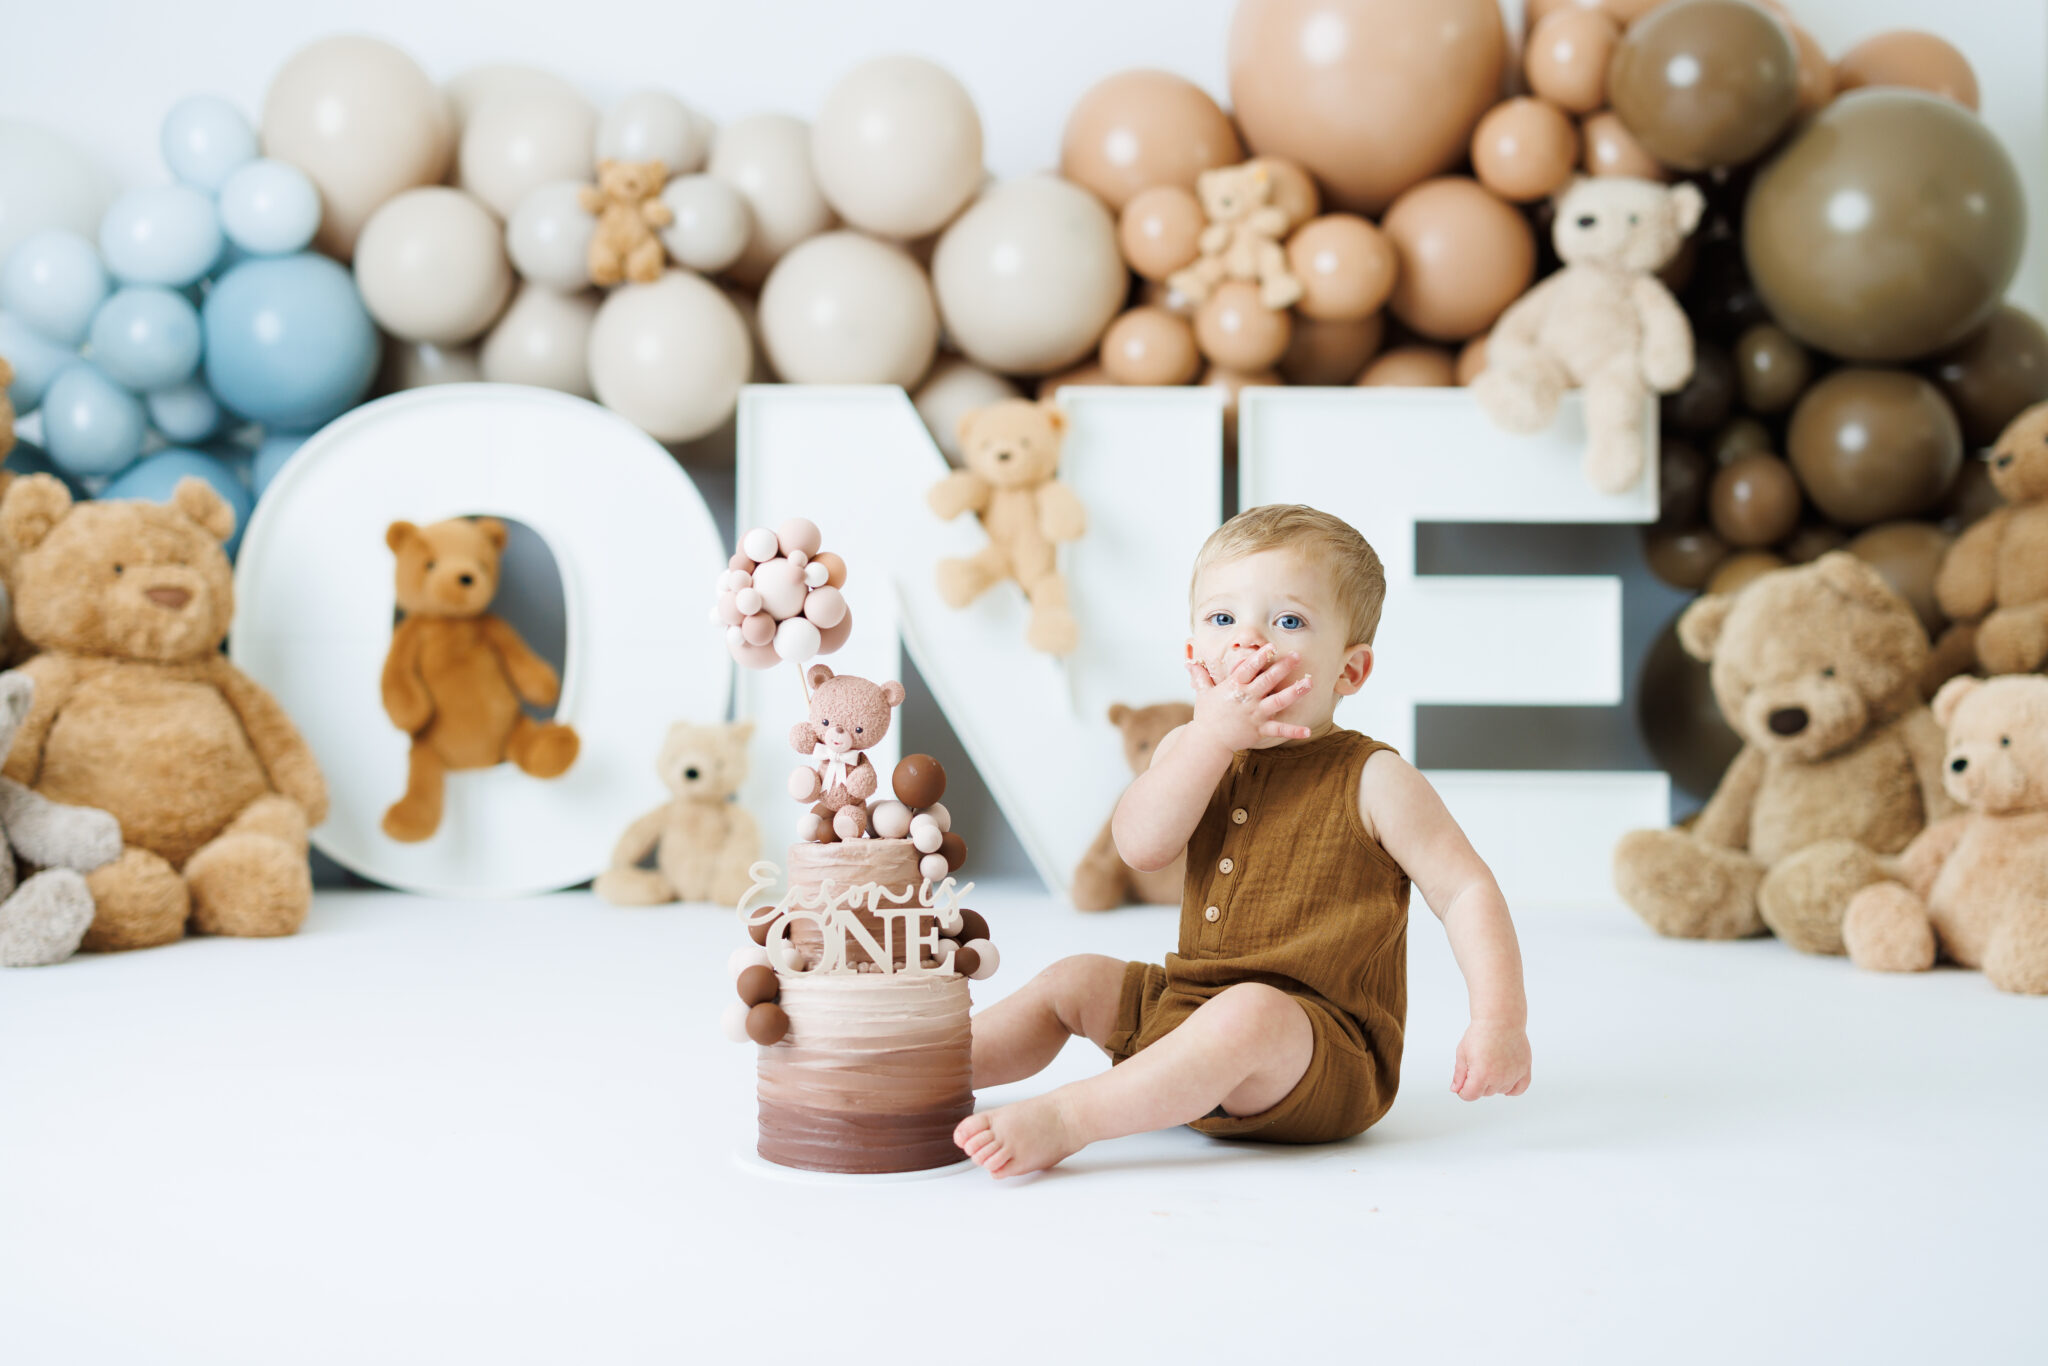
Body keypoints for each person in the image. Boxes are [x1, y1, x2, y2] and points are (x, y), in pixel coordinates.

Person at [955, 504, 1531, 1177]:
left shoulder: (1375, 779)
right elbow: (1141, 847)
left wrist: (1499, 1021)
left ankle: (1071, 1117)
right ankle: (923, 1073)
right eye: (1222, 619)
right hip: (1187, 1013)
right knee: (1074, 979)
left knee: (1251, 1012)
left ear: (1350, 671)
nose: (1248, 641)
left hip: (1315, 1058)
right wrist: (1208, 740)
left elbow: (1466, 890)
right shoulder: (1189, 750)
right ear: (1195, 650)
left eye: (1288, 621)